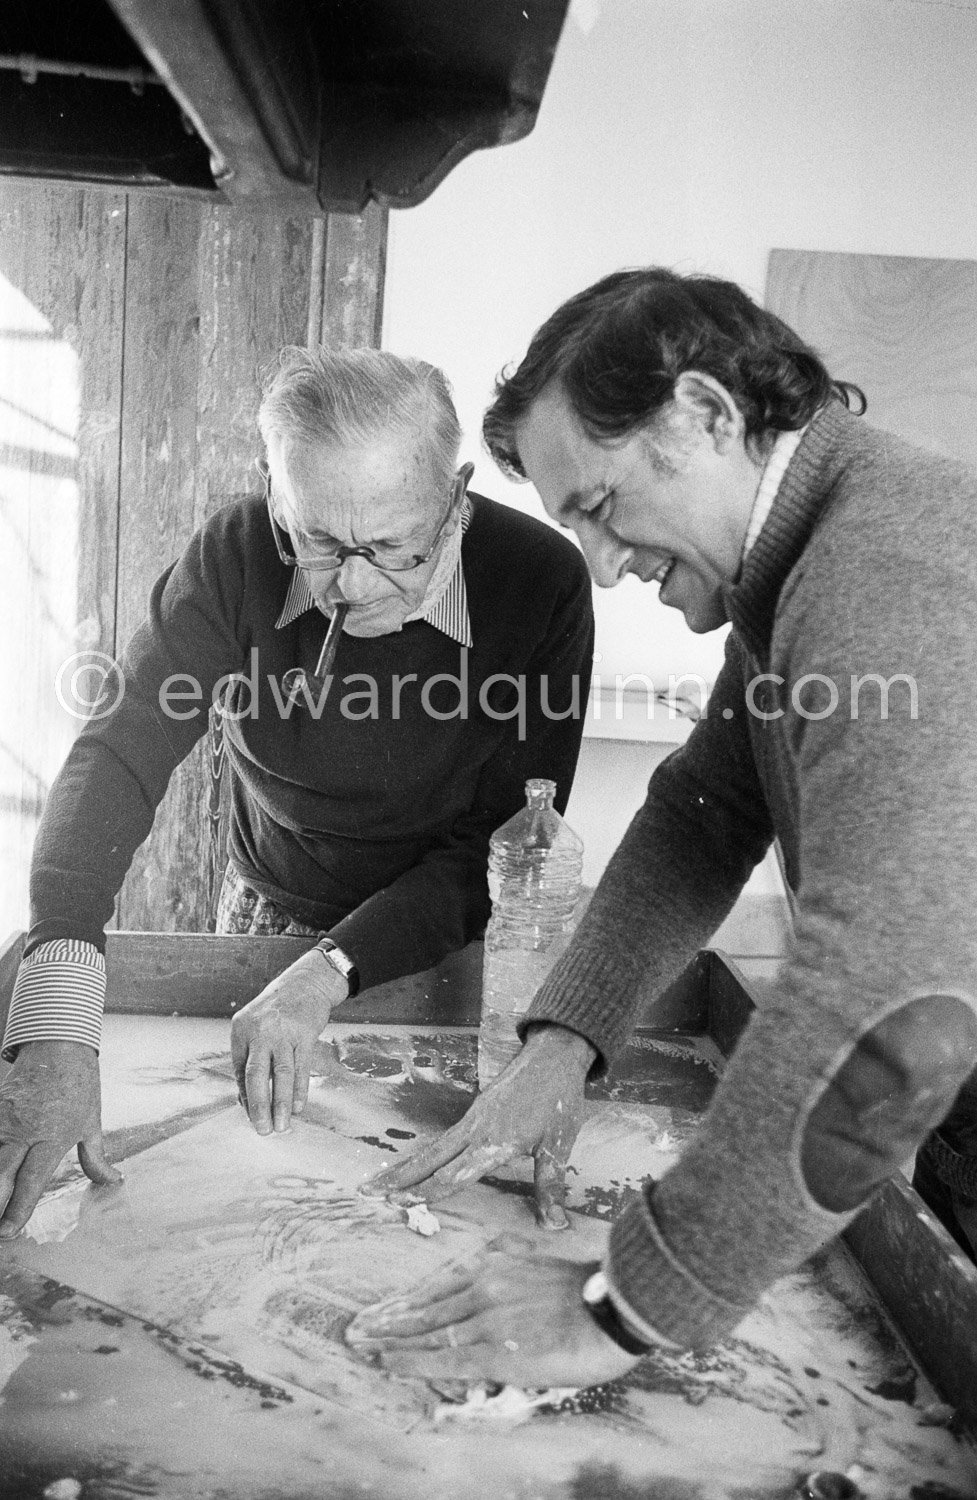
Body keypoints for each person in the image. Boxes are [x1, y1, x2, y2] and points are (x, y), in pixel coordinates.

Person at [345, 268, 977, 1390]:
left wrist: (623, 1304)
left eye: (599, 506)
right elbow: (701, 818)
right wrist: (561, 1047)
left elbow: (888, 1004)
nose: (597, 564)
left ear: (706, 414)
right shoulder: (797, 571)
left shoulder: (877, 574)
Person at [0, 346, 594, 1239]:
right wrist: (57, 1006)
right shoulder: (236, 552)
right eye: (315, 540)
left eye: (390, 547)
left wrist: (330, 971)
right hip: (268, 905)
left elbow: (502, 843)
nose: (350, 585)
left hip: (450, 928)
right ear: (274, 490)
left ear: (455, 492)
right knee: (249, 1197)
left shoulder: (539, 582)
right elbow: (119, 753)